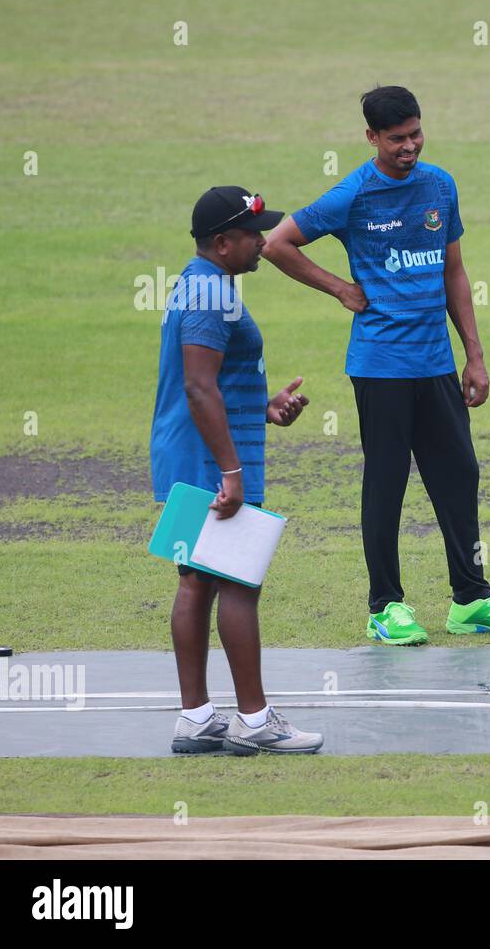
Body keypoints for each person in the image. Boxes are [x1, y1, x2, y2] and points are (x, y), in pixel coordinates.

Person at [262, 85, 490, 645]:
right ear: (371, 138)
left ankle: (472, 598)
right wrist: (340, 288)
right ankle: (385, 606)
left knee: (459, 475)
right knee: (386, 485)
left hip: (435, 362)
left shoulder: (440, 185)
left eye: (415, 134)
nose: (409, 146)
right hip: (381, 364)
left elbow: (453, 272)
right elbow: (276, 244)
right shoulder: (353, 195)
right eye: (397, 139)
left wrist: (475, 355)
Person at [151, 186, 323, 755]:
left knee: (196, 582)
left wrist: (264, 407)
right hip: (209, 461)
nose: (263, 242)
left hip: (190, 453)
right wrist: (230, 469)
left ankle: (197, 718)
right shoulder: (210, 294)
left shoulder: (200, 282)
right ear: (222, 243)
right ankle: (255, 720)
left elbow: (210, 384)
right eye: (252, 235)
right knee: (239, 585)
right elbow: (199, 387)